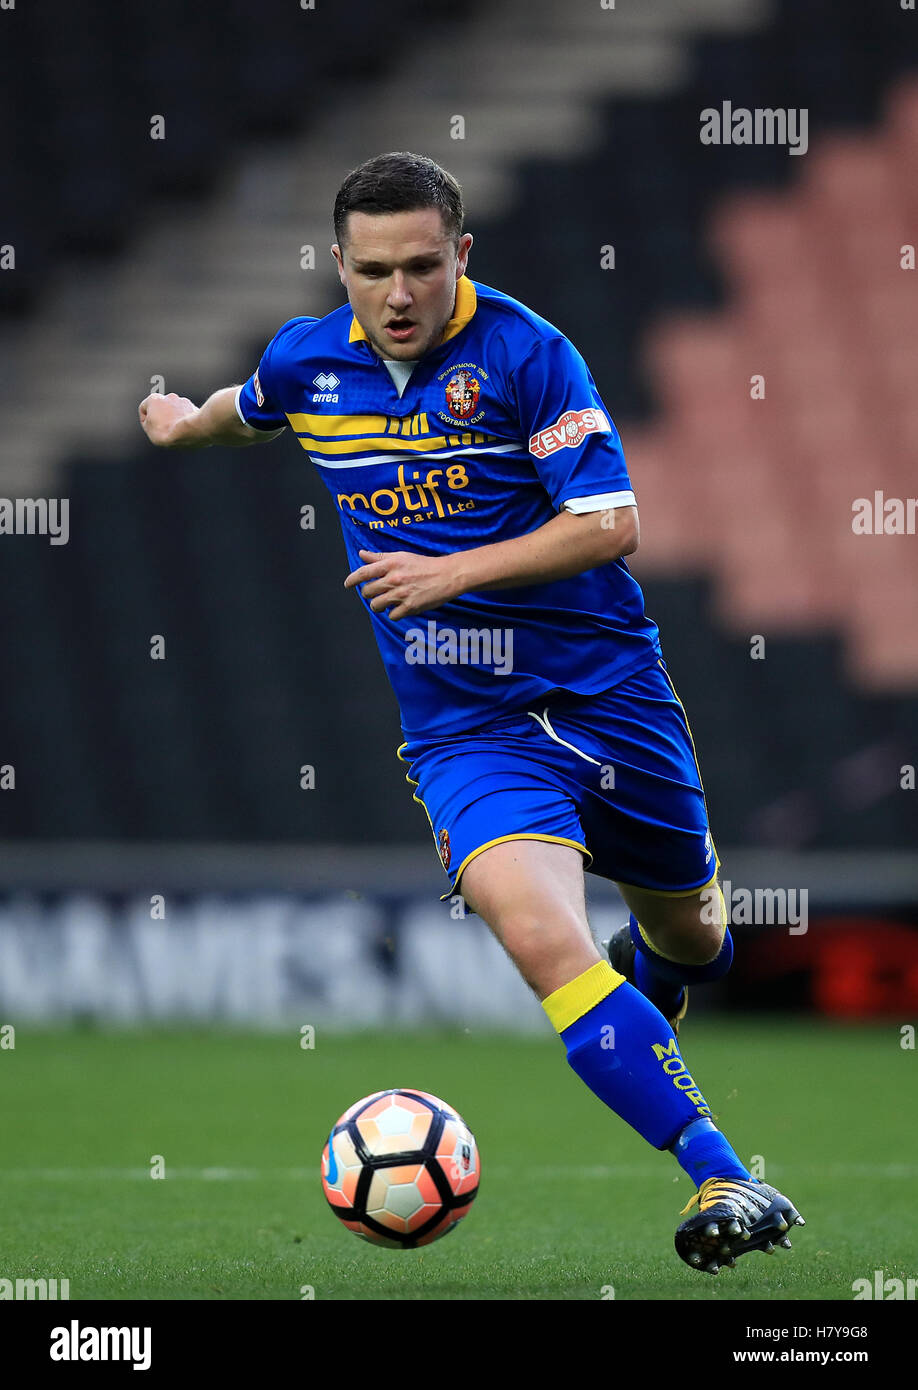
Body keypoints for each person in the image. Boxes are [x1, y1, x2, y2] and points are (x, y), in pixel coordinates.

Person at [139, 150, 804, 1274]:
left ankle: (654, 978)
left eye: (423, 267)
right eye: (373, 271)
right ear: (338, 267)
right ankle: (724, 1173)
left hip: (605, 697)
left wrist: (452, 573)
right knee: (541, 936)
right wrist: (178, 424)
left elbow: (609, 523)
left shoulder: (529, 354)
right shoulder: (307, 361)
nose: (398, 295)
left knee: (694, 939)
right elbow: (245, 413)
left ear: (463, 257)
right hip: (464, 727)